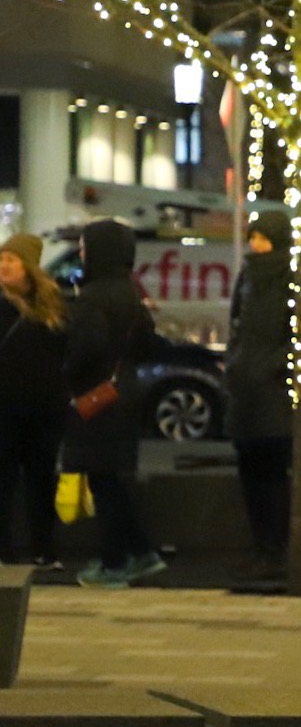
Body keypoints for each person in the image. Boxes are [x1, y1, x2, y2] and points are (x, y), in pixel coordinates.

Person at [62, 219, 166, 588]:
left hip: (97, 398)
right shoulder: (129, 291)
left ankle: (114, 563)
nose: (82, 252)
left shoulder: (92, 296)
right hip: (125, 392)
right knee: (114, 479)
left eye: (86, 246)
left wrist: (67, 375)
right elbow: (148, 342)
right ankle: (141, 553)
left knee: (104, 483)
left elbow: (85, 348)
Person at [226, 214, 294, 581]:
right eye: (253, 237)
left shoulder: (292, 279)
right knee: (250, 472)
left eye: (263, 238)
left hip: (273, 389)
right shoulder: (247, 277)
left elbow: (298, 336)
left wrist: (271, 366)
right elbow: (236, 323)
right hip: (245, 390)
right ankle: (260, 547)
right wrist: (234, 363)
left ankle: (275, 550)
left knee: (271, 473)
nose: (255, 244)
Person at [0, 233, 68, 567]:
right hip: (5, 408)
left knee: (42, 481)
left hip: (46, 409)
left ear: (29, 266)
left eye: (11, 260)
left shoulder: (54, 304)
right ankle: (4, 551)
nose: (3, 266)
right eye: (1, 260)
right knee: (4, 479)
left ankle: (43, 548)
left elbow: (65, 352)